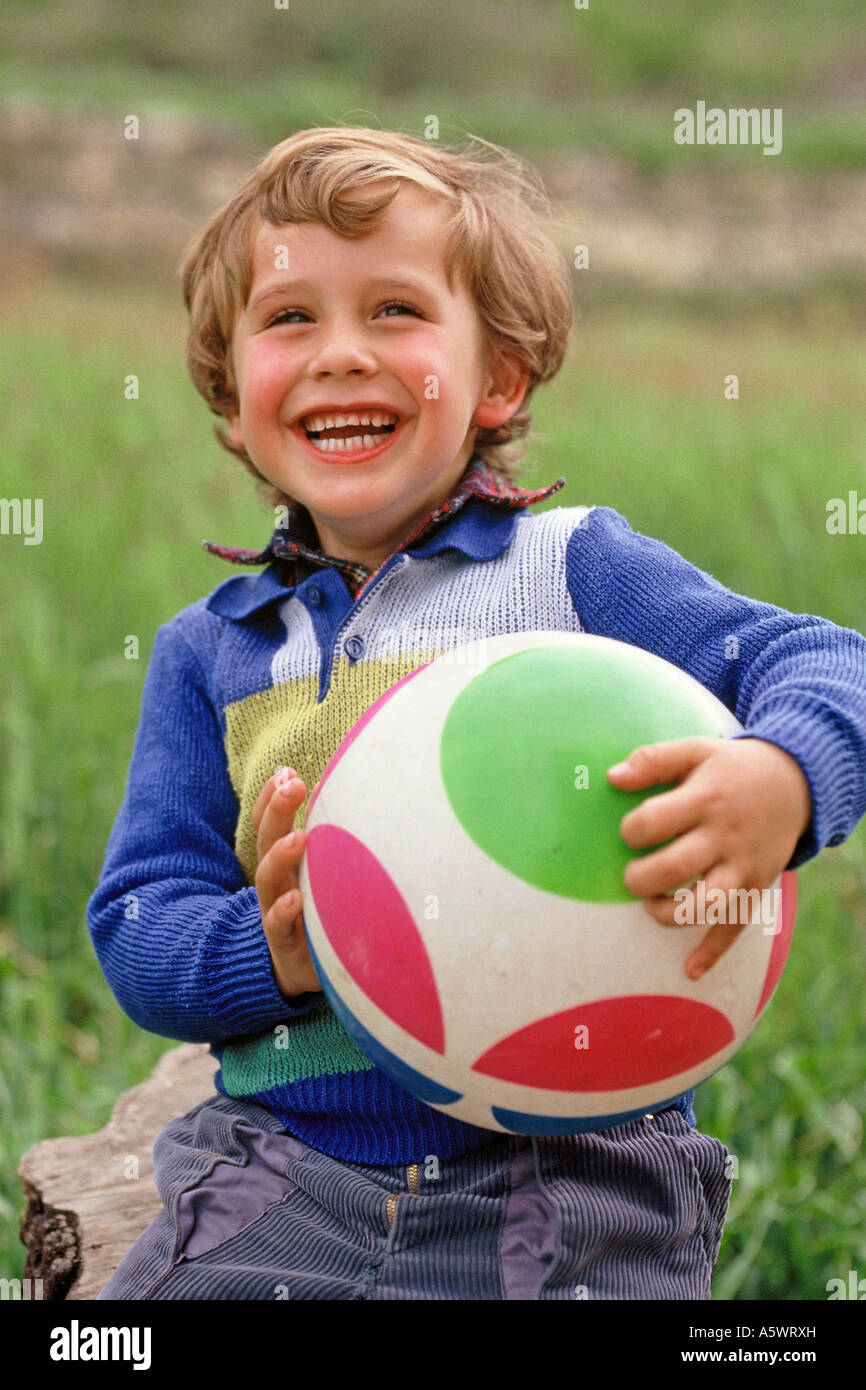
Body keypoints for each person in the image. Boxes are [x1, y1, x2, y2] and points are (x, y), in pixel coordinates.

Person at [88, 127, 866, 1300]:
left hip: (577, 1169)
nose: (340, 354)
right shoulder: (216, 650)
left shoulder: (573, 573)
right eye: (289, 319)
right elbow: (141, 918)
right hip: (286, 1169)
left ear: (496, 376)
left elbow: (823, 661)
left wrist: (784, 775)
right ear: (233, 394)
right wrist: (271, 952)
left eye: (395, 309)